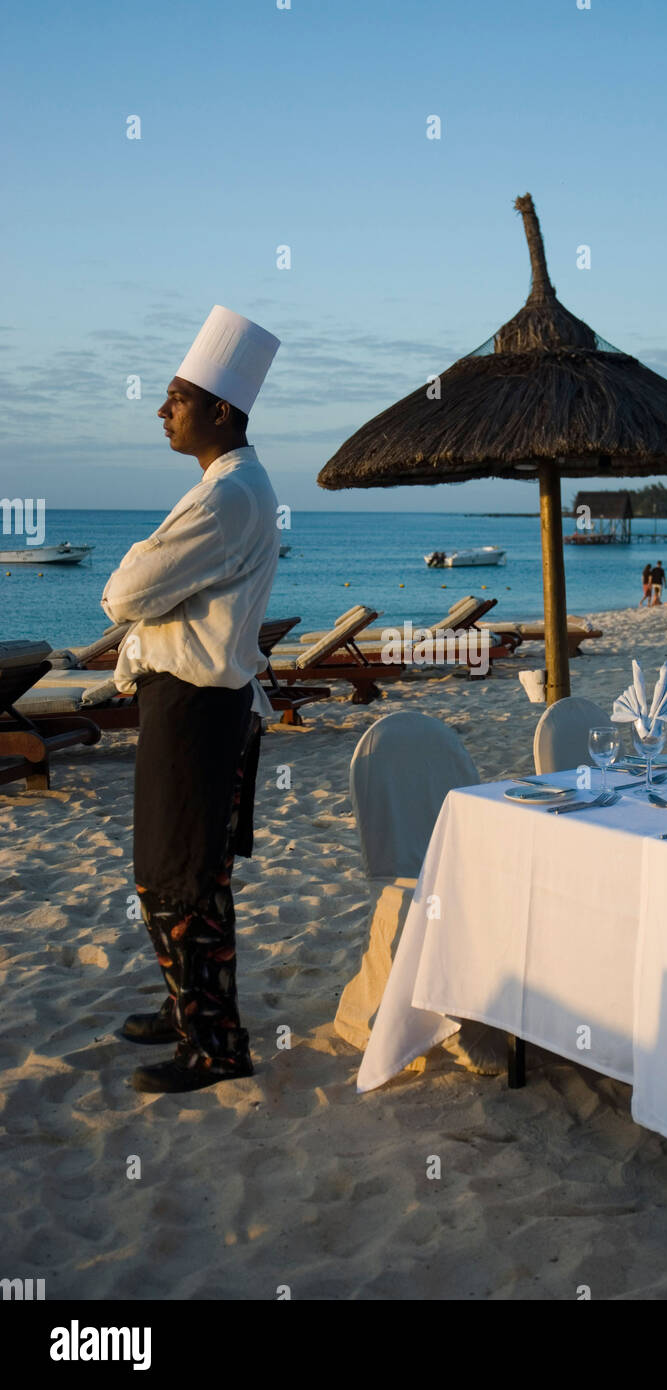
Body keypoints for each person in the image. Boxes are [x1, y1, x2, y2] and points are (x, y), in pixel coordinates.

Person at [102, 305, 281, 1093]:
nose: (162, 410)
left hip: (194, 706)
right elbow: (151, 590)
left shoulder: (226, 496)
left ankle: (215, 1045)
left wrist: (143, 582)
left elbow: (125, 589)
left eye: (176, 397)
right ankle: (191, 1012)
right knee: (184, 871)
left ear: (219, 408)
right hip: (198, 704)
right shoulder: (232, 486)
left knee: (176, 875)